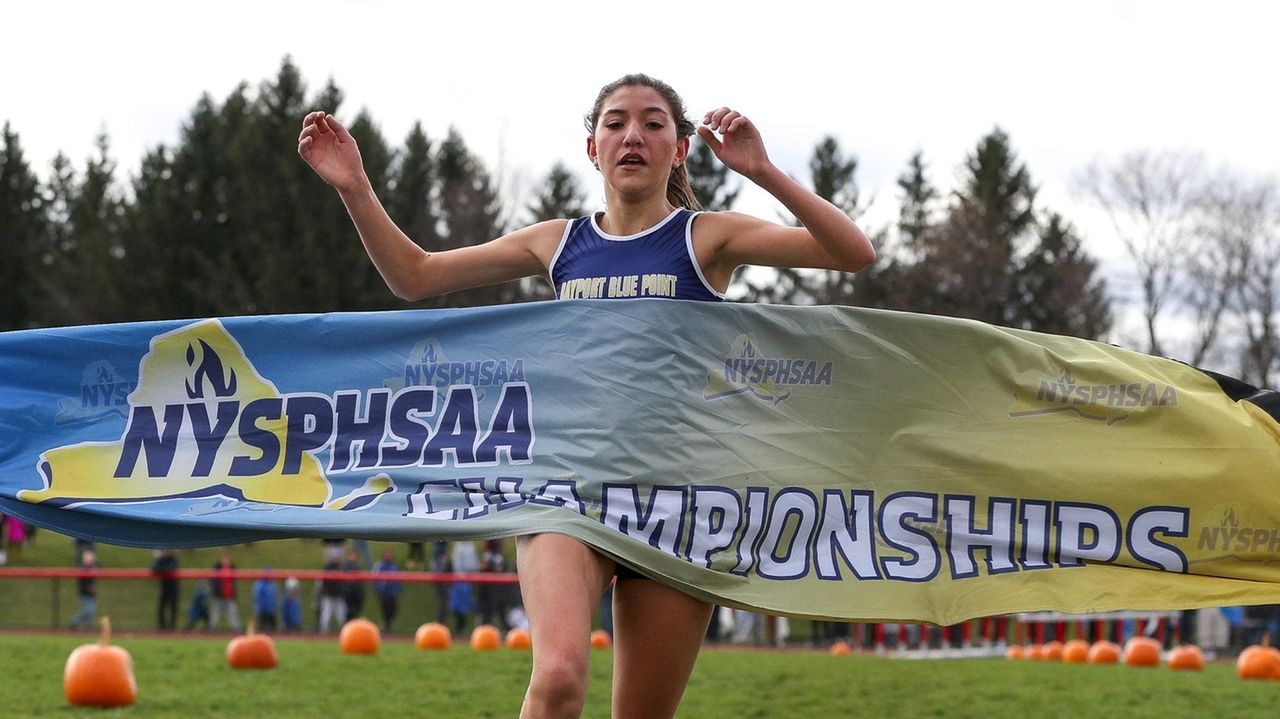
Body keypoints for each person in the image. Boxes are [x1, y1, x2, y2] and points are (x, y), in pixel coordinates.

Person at [299, 73, 874, 719]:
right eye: (616, 122)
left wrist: (762, 169)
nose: (634, 134)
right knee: (559, 679)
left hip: (676, 506)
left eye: (654, 123)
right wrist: (355, 187)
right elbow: (415, 275)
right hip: (567, 495)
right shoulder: (559, 242)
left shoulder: (707, 238)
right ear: (592, 147)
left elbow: (850, 252)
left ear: (680, 150)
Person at [372, 548, 403, 632]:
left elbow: (398, 579)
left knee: (394, 610)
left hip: (392, 593)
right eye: (387, 554)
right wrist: (378, 589)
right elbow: (375, 579)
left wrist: (399, 590)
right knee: (385, 610)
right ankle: (385, 627)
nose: (388, 556)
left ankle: (386, 625)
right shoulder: (379, 566)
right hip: (383, 593)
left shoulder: (394, 566)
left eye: (390, 554)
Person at [209, 549, 241, 631]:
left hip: (229, 594)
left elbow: (234, 582)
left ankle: (236, 628)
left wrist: (233, 591)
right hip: (219, 594)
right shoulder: (217, 567)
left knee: (232, 611)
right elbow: (213, 581)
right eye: (224, 558)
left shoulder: (232, 567)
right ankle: (213, 628)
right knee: (216, 612)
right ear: (221, 559)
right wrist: (216, 591)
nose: (226, 560)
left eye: (227, 558)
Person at [151, 548, 180, 631]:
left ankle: (172, 627)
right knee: (161, 607)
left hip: (174, 588)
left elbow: (170, 569)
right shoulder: (161, 559)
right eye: (164, 550)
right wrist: (163, 570)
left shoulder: (174, 559)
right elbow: (153, 569)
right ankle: (162, 627)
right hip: (164, 587)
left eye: (168, 550)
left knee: (173, 607)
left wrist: (162, 570)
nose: (166, 552)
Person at [69, 549, 97, 630]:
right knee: (88, 610)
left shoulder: (93, 568)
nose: (90, 561)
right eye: (88, 559)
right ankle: (74, 621)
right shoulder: (82, 568)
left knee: (90, 611)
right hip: (84, 593)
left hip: (91, 593)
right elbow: (82, 583)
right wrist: (89, 588)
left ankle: (87, 626)